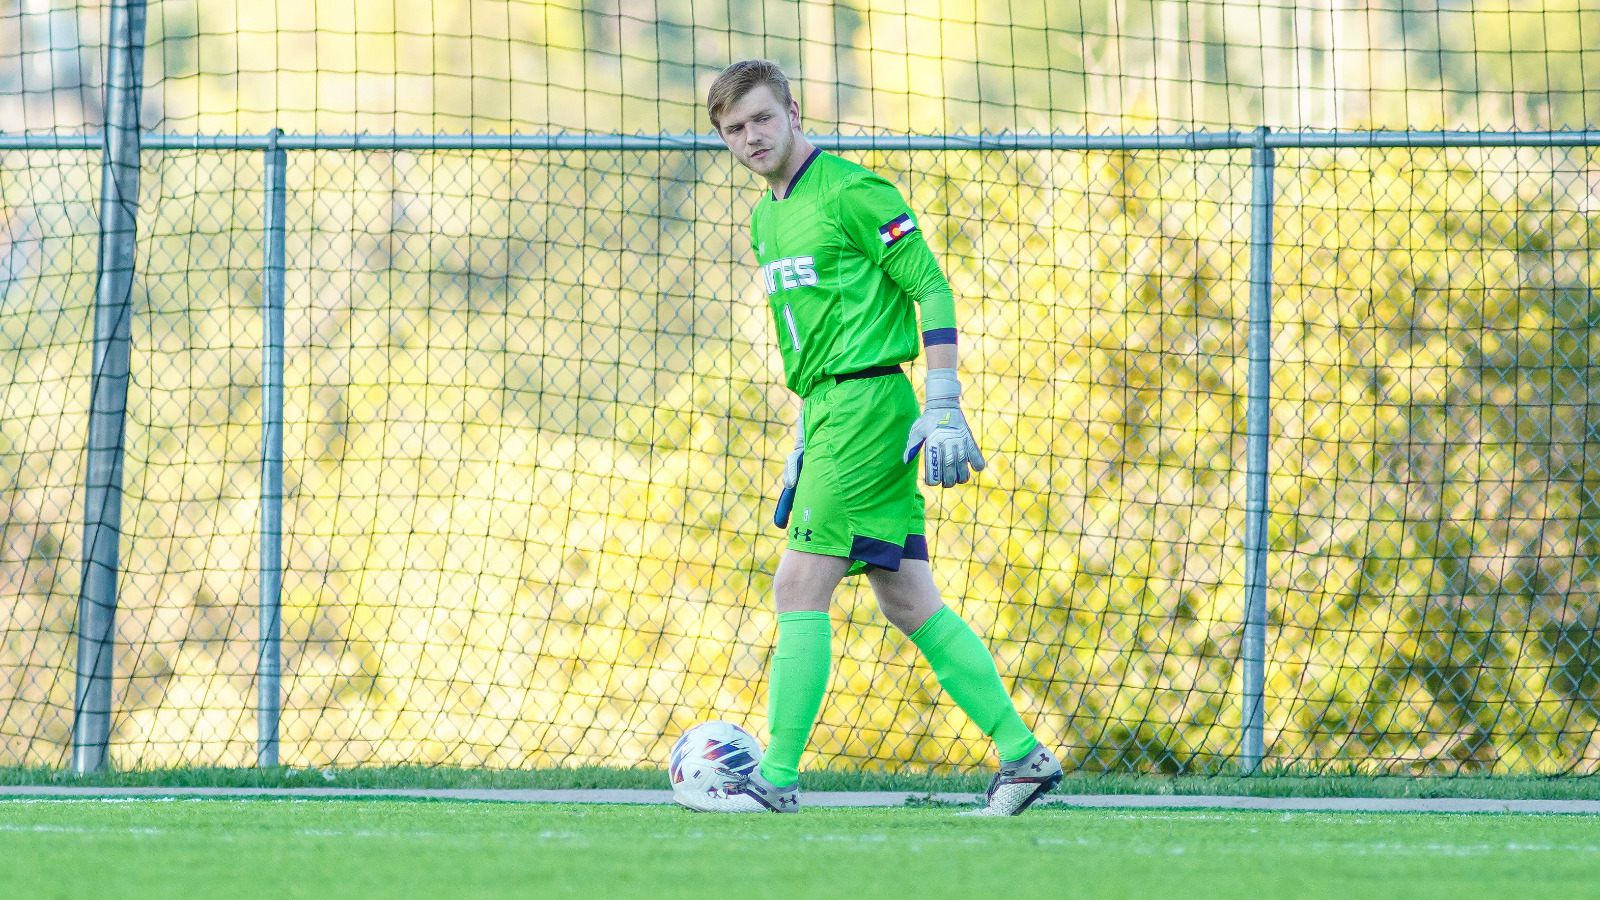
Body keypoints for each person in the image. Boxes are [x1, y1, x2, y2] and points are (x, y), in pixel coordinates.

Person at [696, 59, 1062, 817]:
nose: (751, 137)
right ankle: (1024, 758)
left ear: (793, 111)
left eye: (762, 118)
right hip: (831, 412)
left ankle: (778, 778)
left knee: (797, 586)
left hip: (869, 407)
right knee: (907, 599)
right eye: (734, 129)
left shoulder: (854, 192)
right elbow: (816, 331)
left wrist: (946, 400)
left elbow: (929, 284)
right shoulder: (766, 218)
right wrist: (804, 426)